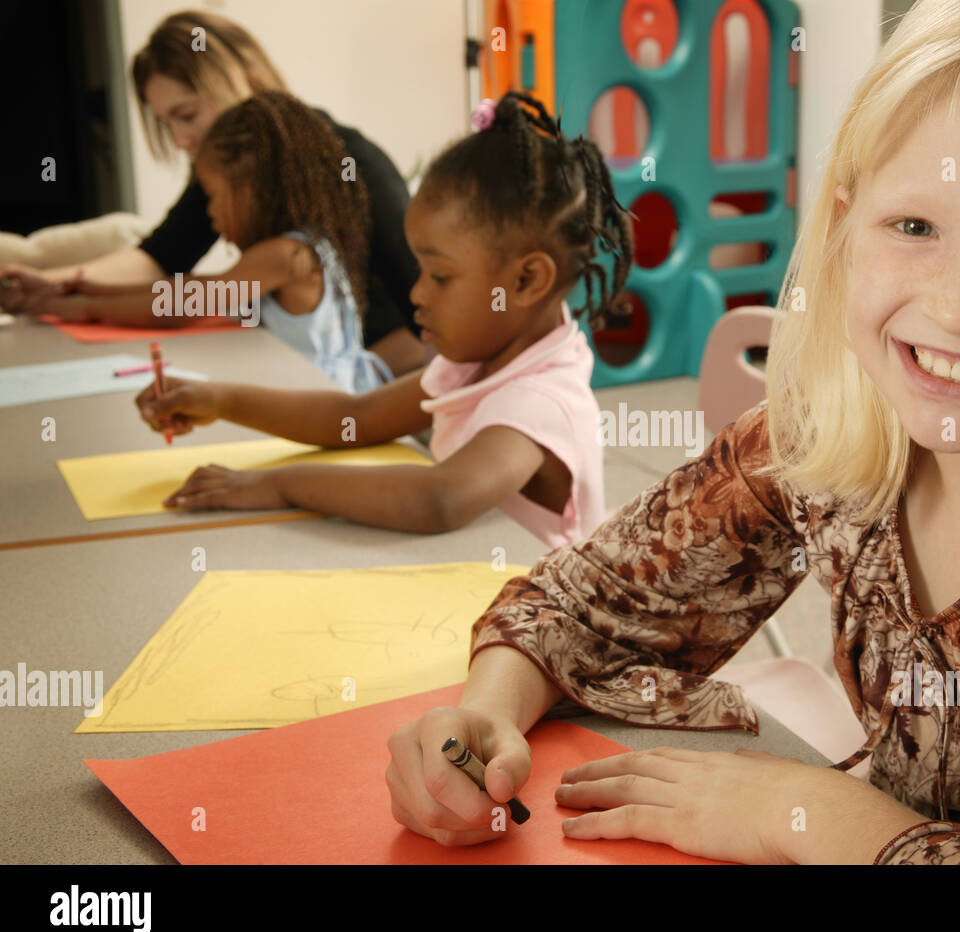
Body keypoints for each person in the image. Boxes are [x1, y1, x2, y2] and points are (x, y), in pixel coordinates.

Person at [383, 0, 960, 864]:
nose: (958, 305)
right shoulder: (844, 418)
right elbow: (585, 600)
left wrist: (818, 817)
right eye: (914, 225)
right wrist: (484, 716)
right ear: (844, 225)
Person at [135, 92, 631, 549]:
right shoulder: (488, 357)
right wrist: (221, 399)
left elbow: (439, 499)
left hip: (549, 632)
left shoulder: (539, 400)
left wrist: (278, 483)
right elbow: (355, 419)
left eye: (440, 276)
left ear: (525, 282)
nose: (416, 292)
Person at [0, 10, 428, 377]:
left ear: (244, 79)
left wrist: (81, 306)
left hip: (358, 381)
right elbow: (168, 267)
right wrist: (63, 287)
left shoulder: (294, 246)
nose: (181, 139)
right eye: (167, 123)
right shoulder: (281, 232)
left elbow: (185, 300)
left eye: (185, 115)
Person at [48, 92, 390, 394]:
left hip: (329, 404)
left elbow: (181, 305)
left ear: (251, 189)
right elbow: (191, 289)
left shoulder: (288, 255)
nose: (209, 212)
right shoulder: (304, 245)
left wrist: (88, 309)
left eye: (212, 196)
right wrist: (97, 291)